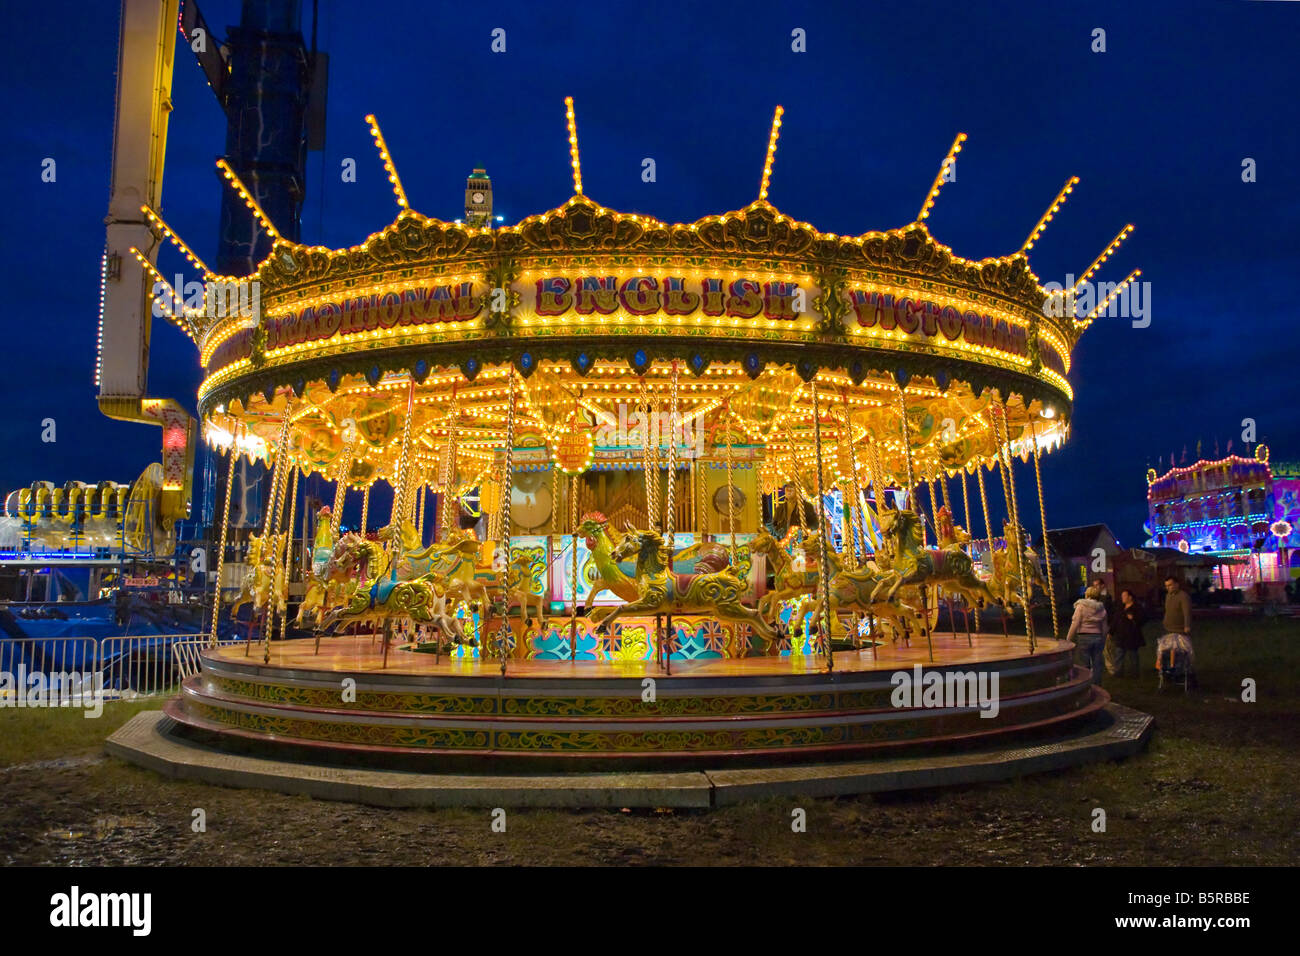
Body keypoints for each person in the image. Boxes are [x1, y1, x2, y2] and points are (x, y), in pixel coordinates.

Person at [1065, 584, 1108, 684]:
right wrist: (1103, 638)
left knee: (1084, 663)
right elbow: (1104, 627)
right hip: (1097, 636)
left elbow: (1075, 623)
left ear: (1087, 594)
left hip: (1084, 636)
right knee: (1097, 663)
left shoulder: (1081, 607)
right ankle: (1097, 683)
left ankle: (1085, 683)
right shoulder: (1101, 608)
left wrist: (1068, 638)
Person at [1158, 575, 1196, 687]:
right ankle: (1168, 670)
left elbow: (1186, 612)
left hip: (1179, 630)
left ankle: (1182, 672)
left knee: (1179, 652)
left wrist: (1187, 625)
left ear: (1176, 584)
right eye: (1166, 586)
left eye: (1170, 585)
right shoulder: (1168, 596)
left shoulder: (1183, 596)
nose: (1168, 588)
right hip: (1168, 629)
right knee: (1167, 651)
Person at [1110, 588, 1146, 676]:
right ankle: (1118, 671)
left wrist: (1134, 618)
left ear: (1130, 597)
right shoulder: (1121, 608)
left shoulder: (1137, 608)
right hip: (1121, 635)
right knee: (1119, 654)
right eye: (1122, 596)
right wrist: (1111, 631)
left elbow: (1143, 620)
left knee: (1133, 654)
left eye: (1124, 596)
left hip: (1132, 635)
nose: (1122, 598)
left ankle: (1134, 671)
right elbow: (1115, 620)